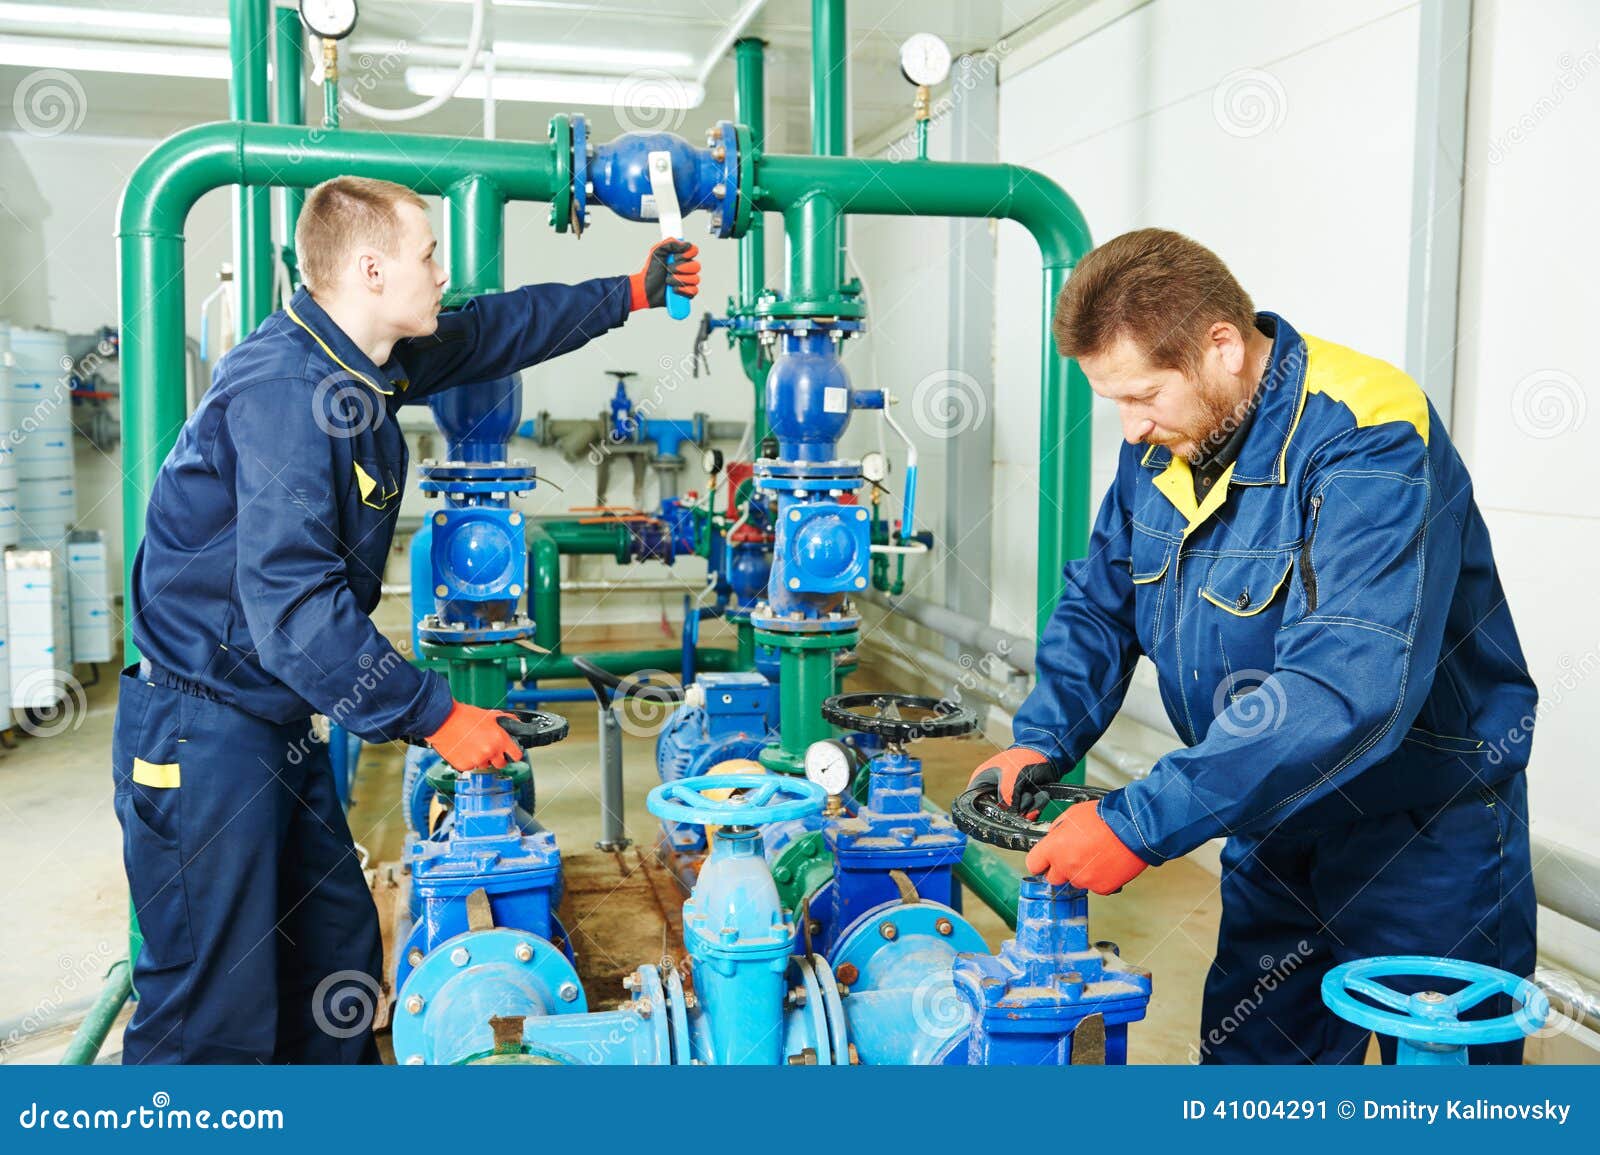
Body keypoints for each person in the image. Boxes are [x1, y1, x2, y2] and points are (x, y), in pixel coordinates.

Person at [111, 175, 701, 1064]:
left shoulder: (362, 360)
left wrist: (629, 293)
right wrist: (435, 714)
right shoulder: (285, 393)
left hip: (271, 722)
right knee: (212, 1009)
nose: (442, 271)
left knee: (335, 955)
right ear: (373, 271)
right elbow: (294, 607)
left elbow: (495, 327)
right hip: (203, 733)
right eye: (429, 256)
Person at [966, 228, 1536, 1064]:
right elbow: (1102, 599)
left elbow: (1345, 685)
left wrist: (1137, 822)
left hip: (1419, 839)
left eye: (1142, 395)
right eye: (1113, 401)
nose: (1129, 429)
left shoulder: (1370, 434)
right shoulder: (1169, 444)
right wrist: (1041, 736)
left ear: (1221, 347)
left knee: (1445, 1102)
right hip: (1270, 820)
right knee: (1254, 1073)